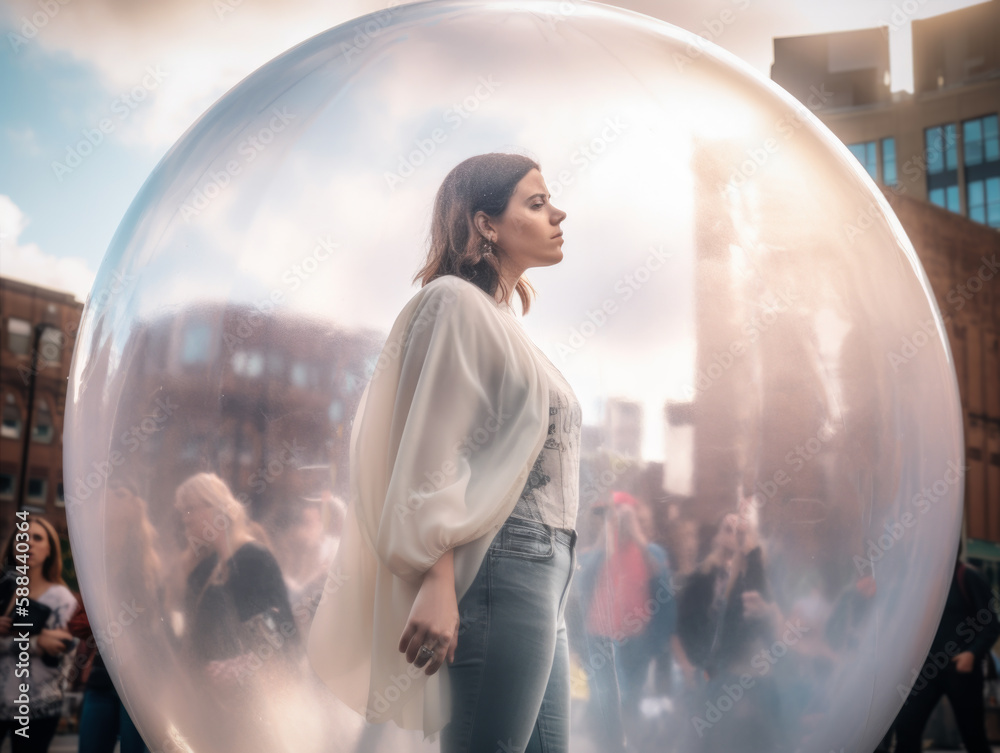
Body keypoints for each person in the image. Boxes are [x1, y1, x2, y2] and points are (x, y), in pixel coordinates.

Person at [308, 152, 581, 751]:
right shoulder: (453, 302)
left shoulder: (502, 323)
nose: (558, 213)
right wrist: (438, 578)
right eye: (536, 203)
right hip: (503, 564)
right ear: (485, 223)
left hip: (545, 574)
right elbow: (432, 445)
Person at [172, 472, 300, 748]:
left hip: (250, 710)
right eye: (183, 510)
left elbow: (283, 633)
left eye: (191, 508)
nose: (186, 517)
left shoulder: (255, 559)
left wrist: (239, 667)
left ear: (215, 507)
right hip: (212, 709)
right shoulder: (206, 567)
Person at [893, 542, 1000, 753]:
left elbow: (991, 625)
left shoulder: (967, 576)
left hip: (961, 670)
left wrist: (972, 652)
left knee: (973, 735)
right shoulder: (920, 582)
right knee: (906, 728)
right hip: (926, 670)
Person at [0, 517, 79, 752]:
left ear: (49, 550)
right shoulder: (3, 589)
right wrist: (37, 641)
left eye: (37, 538)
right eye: (23, 538)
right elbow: (43, 644)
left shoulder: (61, 598)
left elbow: (63, 654)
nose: (29, 544)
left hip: (37, 708)